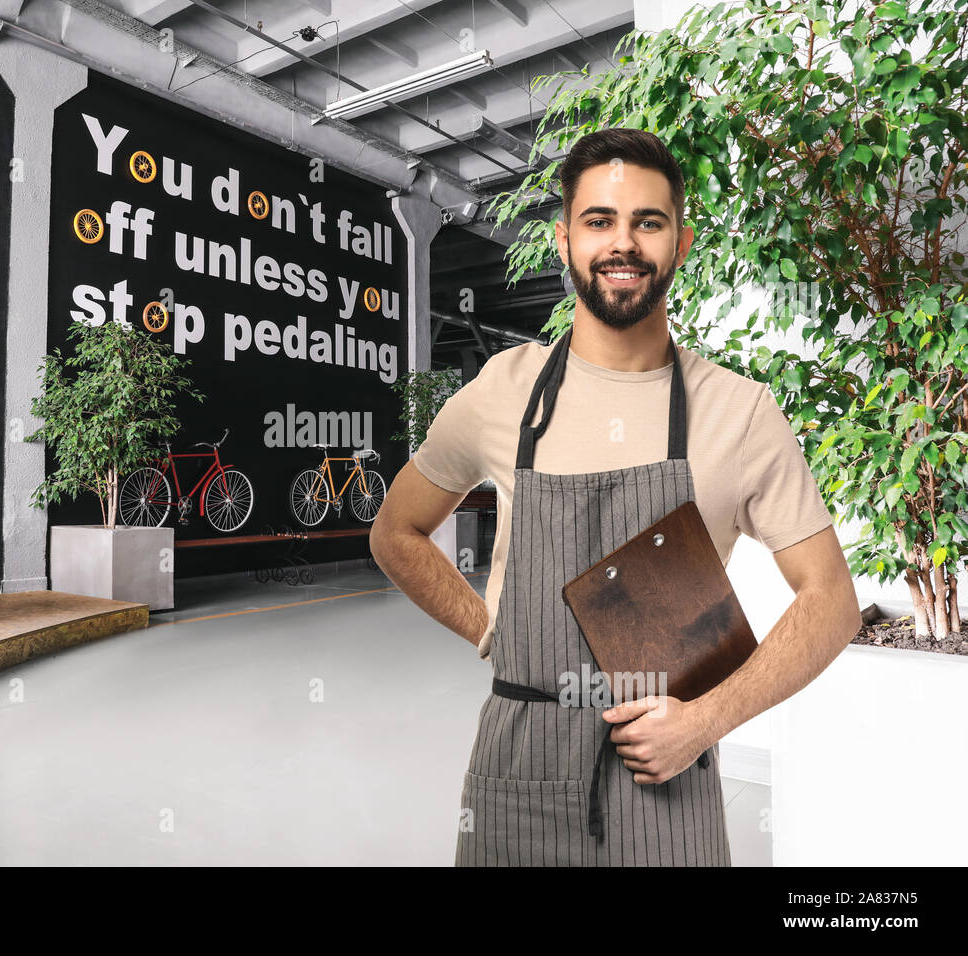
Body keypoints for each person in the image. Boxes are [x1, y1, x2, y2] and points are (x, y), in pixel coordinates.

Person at [368, 127, 862, 866]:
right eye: (599, 220)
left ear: (680, 244)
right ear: (565, 240)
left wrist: (706, 720)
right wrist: (489, 627)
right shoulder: (504, 391)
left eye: (648, 222)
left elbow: (832, 601)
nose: (622, 242)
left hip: (668, 775)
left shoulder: (740, 411)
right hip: (519, 770)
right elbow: (396, 531)